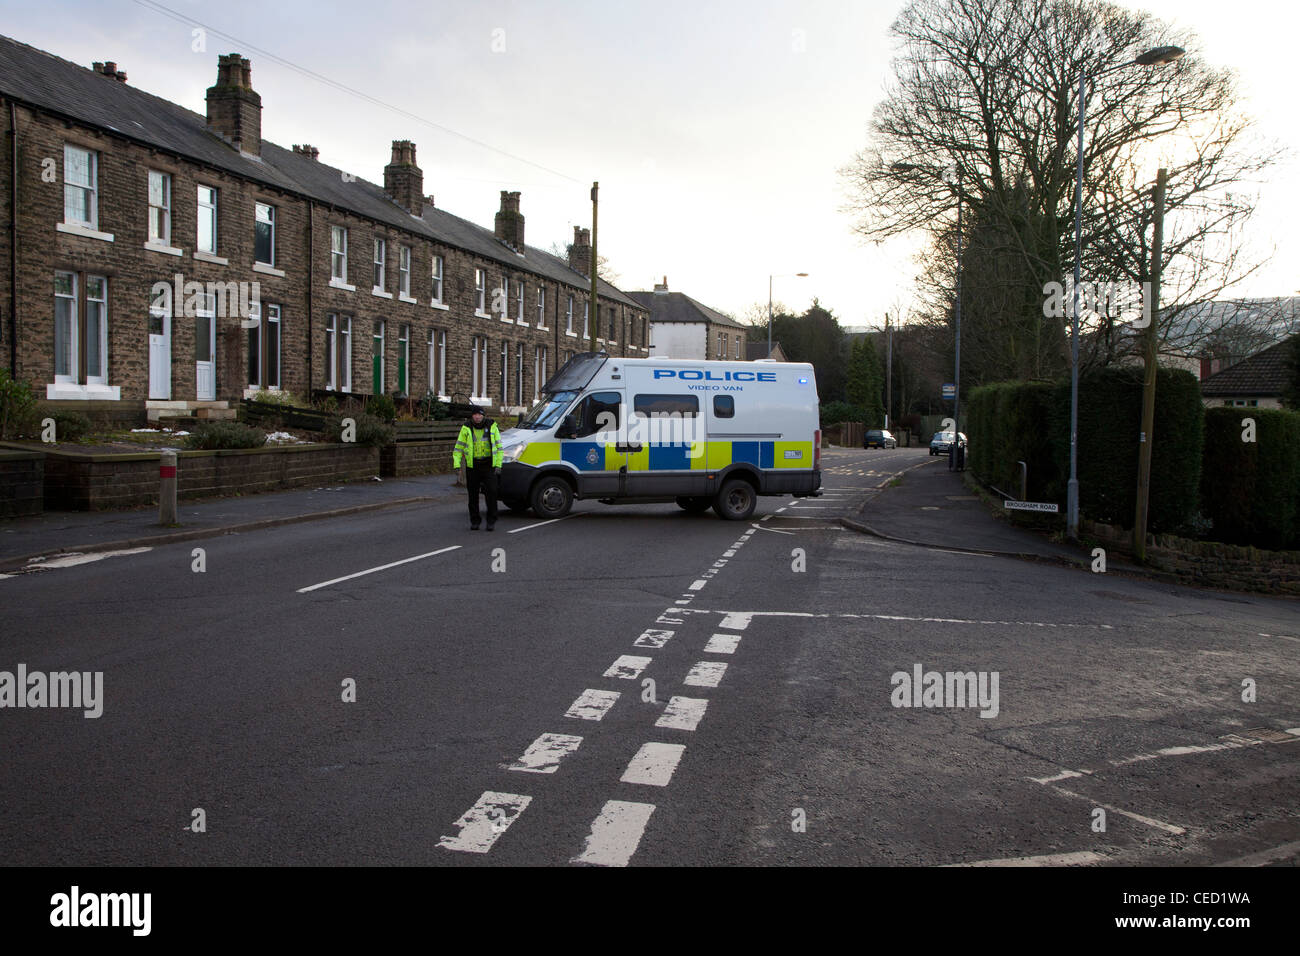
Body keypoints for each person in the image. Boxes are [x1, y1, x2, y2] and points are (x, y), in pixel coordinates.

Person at [452, 408, 503, 530]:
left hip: (489, 465)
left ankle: (491, 521)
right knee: (473, 495)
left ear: (483, 416)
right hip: (473, 466)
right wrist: (457, 464)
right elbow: (458, 447)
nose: (477, 417)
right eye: (475, 415)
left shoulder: (492, 426)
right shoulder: (466, 428)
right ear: (472, 417)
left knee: (491, 492)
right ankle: (475, 521)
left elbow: (499, 447)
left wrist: (498, 465)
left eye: (479, 415)